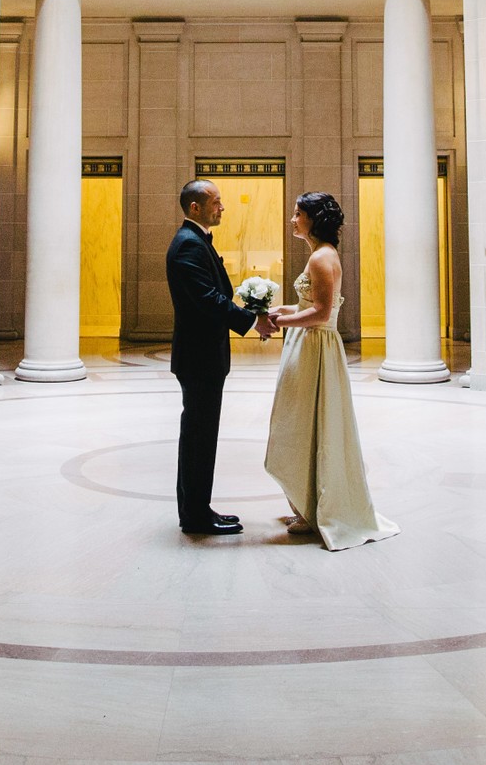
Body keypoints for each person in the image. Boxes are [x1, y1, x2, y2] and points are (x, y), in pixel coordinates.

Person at [262, 192, 397, 551]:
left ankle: (313, 509)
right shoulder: (321, 255)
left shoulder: (322, 258)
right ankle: (308, 504)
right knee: (303, 423)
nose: (292, 219)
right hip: (309, 344)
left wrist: (284, 322)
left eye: (297, 214)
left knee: (306, 423)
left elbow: (322, 314)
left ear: (313, 219)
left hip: (315, 346)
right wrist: (281, 309)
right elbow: (314, 304)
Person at [167, 178, 270, 536]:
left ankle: (197, 508)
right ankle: (195, 516)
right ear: (195, 207)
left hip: (202, 356)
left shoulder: (194, 241)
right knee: (199, 436)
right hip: (199, 358)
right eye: (216, 201)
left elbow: (214, 295)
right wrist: (252, 321)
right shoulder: (188, 246)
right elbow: (209, 299)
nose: (222, 207)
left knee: (199, 435)